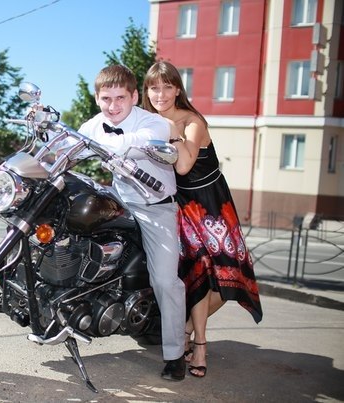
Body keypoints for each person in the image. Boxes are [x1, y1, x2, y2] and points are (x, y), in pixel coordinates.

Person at [142, 61, 264, 378]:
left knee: (232, 275)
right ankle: (199, 345)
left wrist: (172, 131)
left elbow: (183, 166)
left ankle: (184, 330)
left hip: (212, 204)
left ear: (177, 90)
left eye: (167, 87)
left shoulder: (191, 122)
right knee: (198, 274)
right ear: (147, 91)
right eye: (154, 88)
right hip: (181, 205)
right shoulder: (147, 121)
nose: (160, 94)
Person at [77, 64, 186, 381]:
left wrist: (93, 145)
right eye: (106, 98)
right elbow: (66, 148)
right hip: (118, 200)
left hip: (155, 207)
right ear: (97, 98)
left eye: (120, 98)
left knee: (165, 281)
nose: (113, 106)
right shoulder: (94, 125)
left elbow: (136, 142)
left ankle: (175, 355)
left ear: (135, 97)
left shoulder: (155, 123)